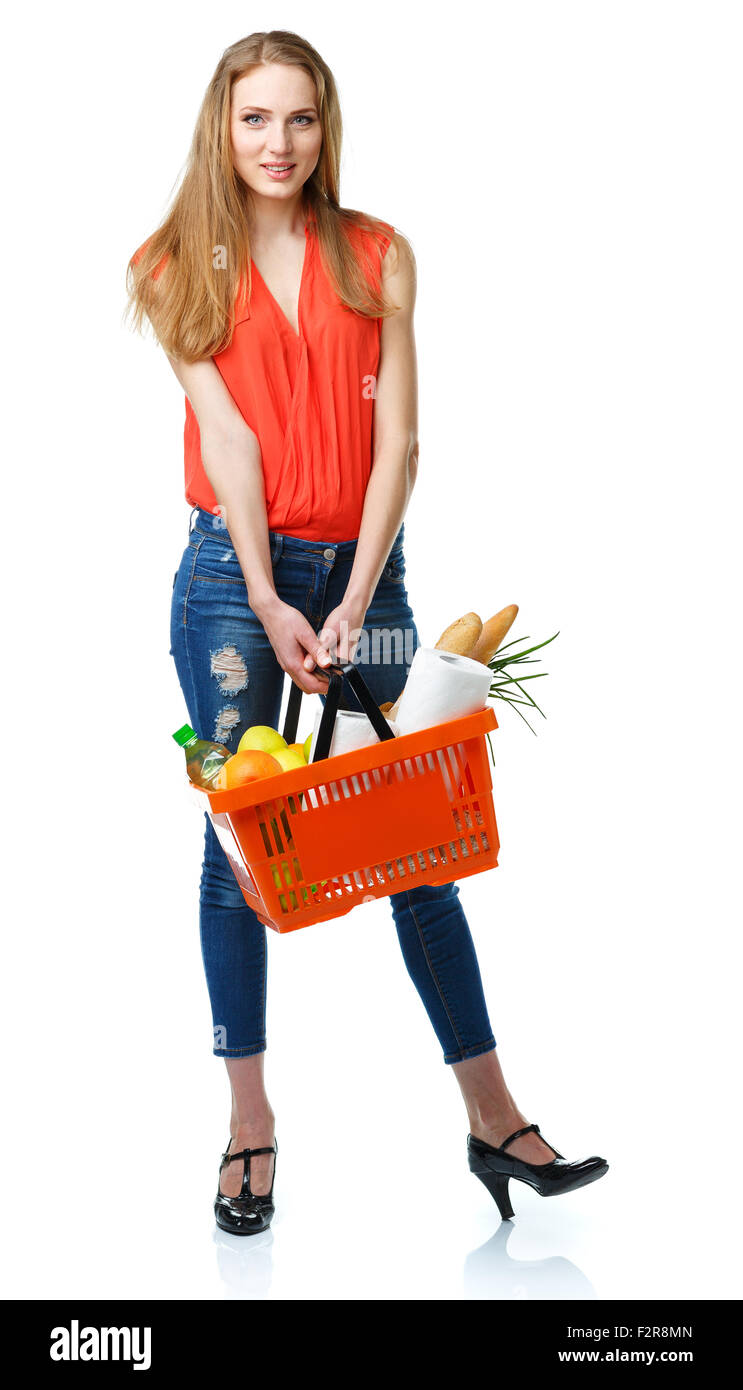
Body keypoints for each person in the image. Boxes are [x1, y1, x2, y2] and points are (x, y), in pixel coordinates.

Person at [126, 29, 608, 1235]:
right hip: (232, 588)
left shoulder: (377, 256)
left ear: (324, 128)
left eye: (298, 120)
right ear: (219, 127)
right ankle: (249, 1125)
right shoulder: (171, 264)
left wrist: (353, 596)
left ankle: (491, 1117)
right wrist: (277, 596)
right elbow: (228, 445)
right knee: (247, 839)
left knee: (414, 835)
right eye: (253, 121)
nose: (277, 144)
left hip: (367, 581)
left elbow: (397, 440)